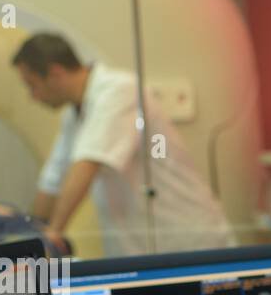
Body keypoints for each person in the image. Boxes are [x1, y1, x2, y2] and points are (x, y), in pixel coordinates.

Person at [12, 33, 235, 256]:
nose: (32, 97)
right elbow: (53, 180)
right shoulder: (74, 114)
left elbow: (88, 163)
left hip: (186, 238)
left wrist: (53, 235)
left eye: (32, 86)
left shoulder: (120, 91)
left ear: (55, 74)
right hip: (138, 245)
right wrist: (32, 232)